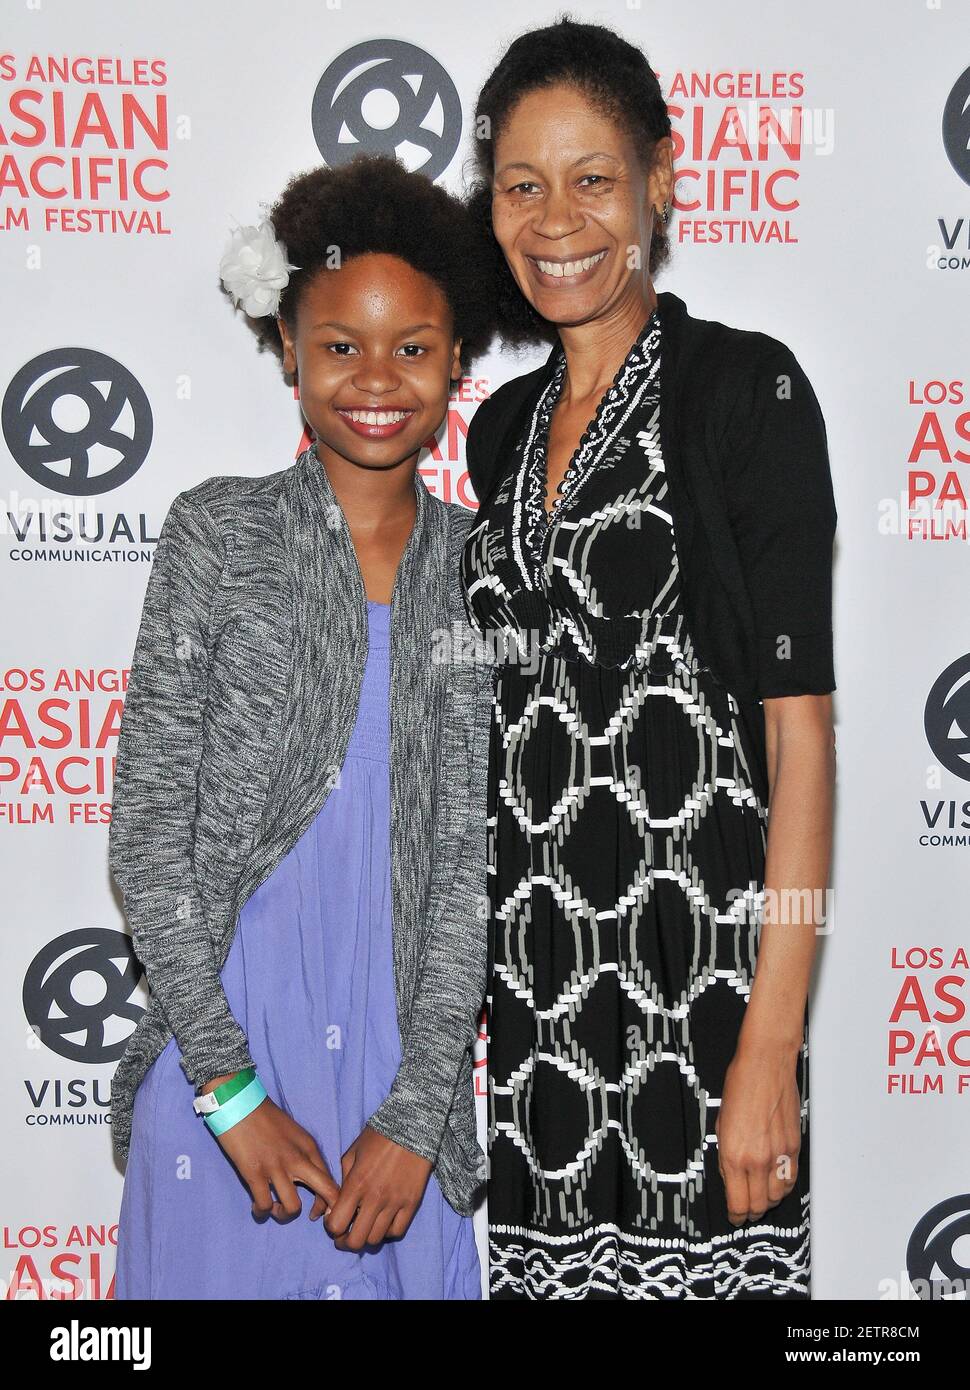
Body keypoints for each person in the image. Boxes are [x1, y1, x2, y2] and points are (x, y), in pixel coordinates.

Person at [461, 18, 838, 1299]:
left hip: (706, 992)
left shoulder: (748, 393)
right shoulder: (498, 433)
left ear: (660, 180)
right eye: (521, 185)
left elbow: (797, 740)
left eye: (591, 178)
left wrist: (770, 1040)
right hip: (540, 1010)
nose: (555, 218)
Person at [109, 153, 494, 1300]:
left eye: (413, 347)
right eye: (339, 345)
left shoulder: (486, 569)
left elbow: (472, 869)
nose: (375, 377)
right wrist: (229, 1095)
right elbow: (145, 838)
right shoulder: (216, 536)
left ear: (457, 358)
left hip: (399, 1102)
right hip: (223, 1091)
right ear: (288, 346)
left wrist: (419, 1118)